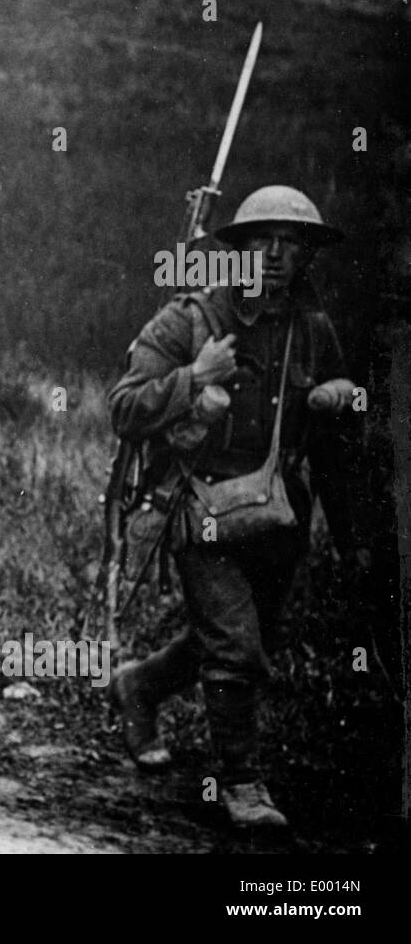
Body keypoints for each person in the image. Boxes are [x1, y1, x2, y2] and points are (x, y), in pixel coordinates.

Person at [107, 185, 360, 830]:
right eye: (260, 242)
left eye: (290, 244)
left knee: (237, 638)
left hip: (278, 516)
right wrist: (196, 378)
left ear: (305, 257)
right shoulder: (191, 321)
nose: (274, 255)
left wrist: (352, 527)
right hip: (201, 509)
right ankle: (241, 783)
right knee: (237, 649)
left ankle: (139, 685)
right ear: (238, 250)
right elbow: (123, 407)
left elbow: (333, 442)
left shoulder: (312, 330)